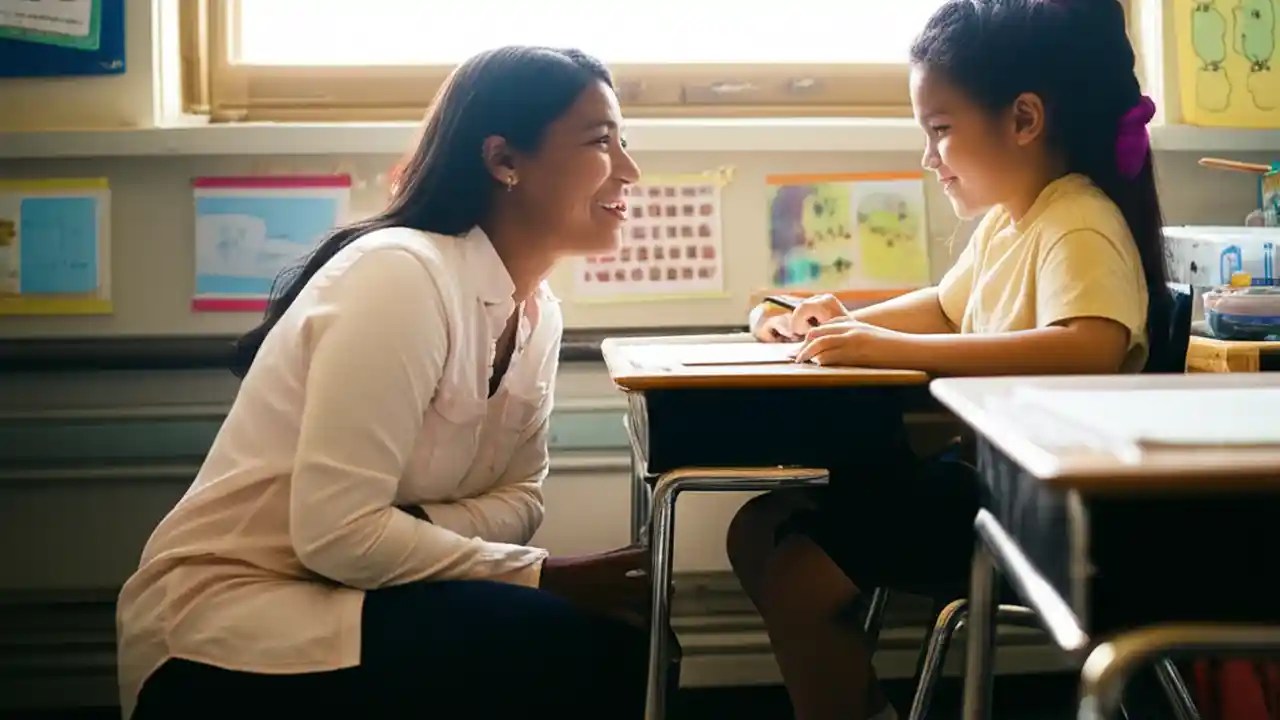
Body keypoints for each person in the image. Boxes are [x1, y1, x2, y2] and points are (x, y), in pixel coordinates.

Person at [116, 46, 646, 719]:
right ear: (504, 161)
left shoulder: (536, 312)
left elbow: (521, 499)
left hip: (365, 591)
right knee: (583, 652)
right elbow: (337, 536)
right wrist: (540, 573)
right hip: (237, 623)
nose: (629, 171)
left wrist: (403, 528)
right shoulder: (400, 275)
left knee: (620, 641)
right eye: (601, 141)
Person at [728, 1, 1172, 718]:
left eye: (940, 131)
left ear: (1024, 120)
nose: (928, 158)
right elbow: (944, 305)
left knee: (798, 573)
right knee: (755, 532)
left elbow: (1089, 346)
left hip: (1039, 513)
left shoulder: (1080, 220)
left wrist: (893, 349)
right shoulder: (1011, 218)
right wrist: (835, 323)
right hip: (985, 486)